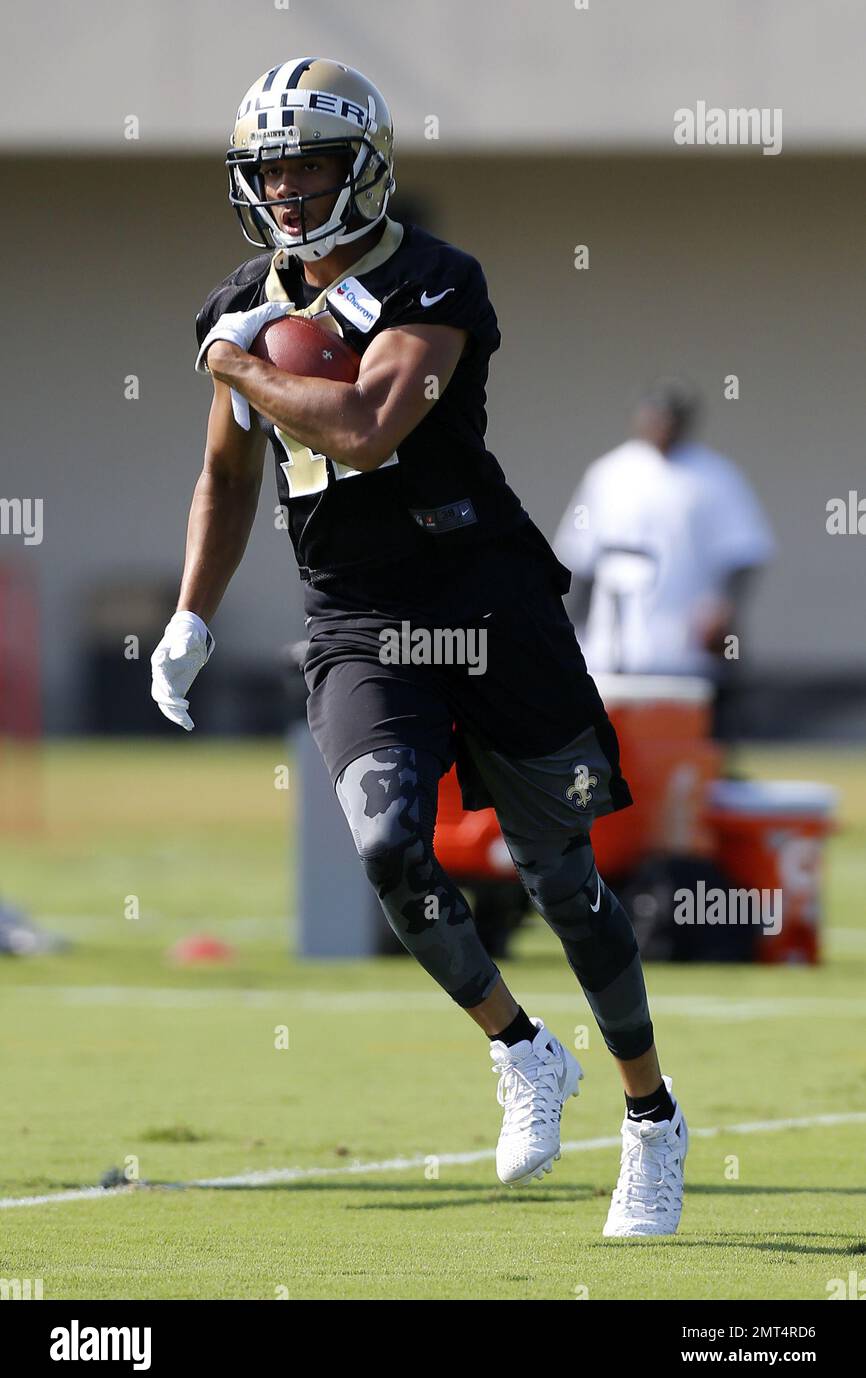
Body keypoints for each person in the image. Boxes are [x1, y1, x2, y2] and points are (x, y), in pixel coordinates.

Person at [150, 58, 687, 1236]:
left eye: (307, 164)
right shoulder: (242, 298)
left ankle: (649, 1119)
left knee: (560, 876)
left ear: (364, 166)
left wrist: (239, 359)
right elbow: (227, 473)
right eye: (268, 167)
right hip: (354, 614)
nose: (286, 189)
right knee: (390, 842)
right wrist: (193, 611)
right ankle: (523, 1050)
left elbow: (364, 426)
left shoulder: (432, 281)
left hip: (484, 593)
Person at [553, 379, 775, 690]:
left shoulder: (716, 476)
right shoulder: (607, 474)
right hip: (610, 644)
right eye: (653, 415)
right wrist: (571, 630)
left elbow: (744, 552)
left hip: (684, 645)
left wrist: (723, 609)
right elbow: (580, 558)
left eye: (670, 417)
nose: (661, 425)